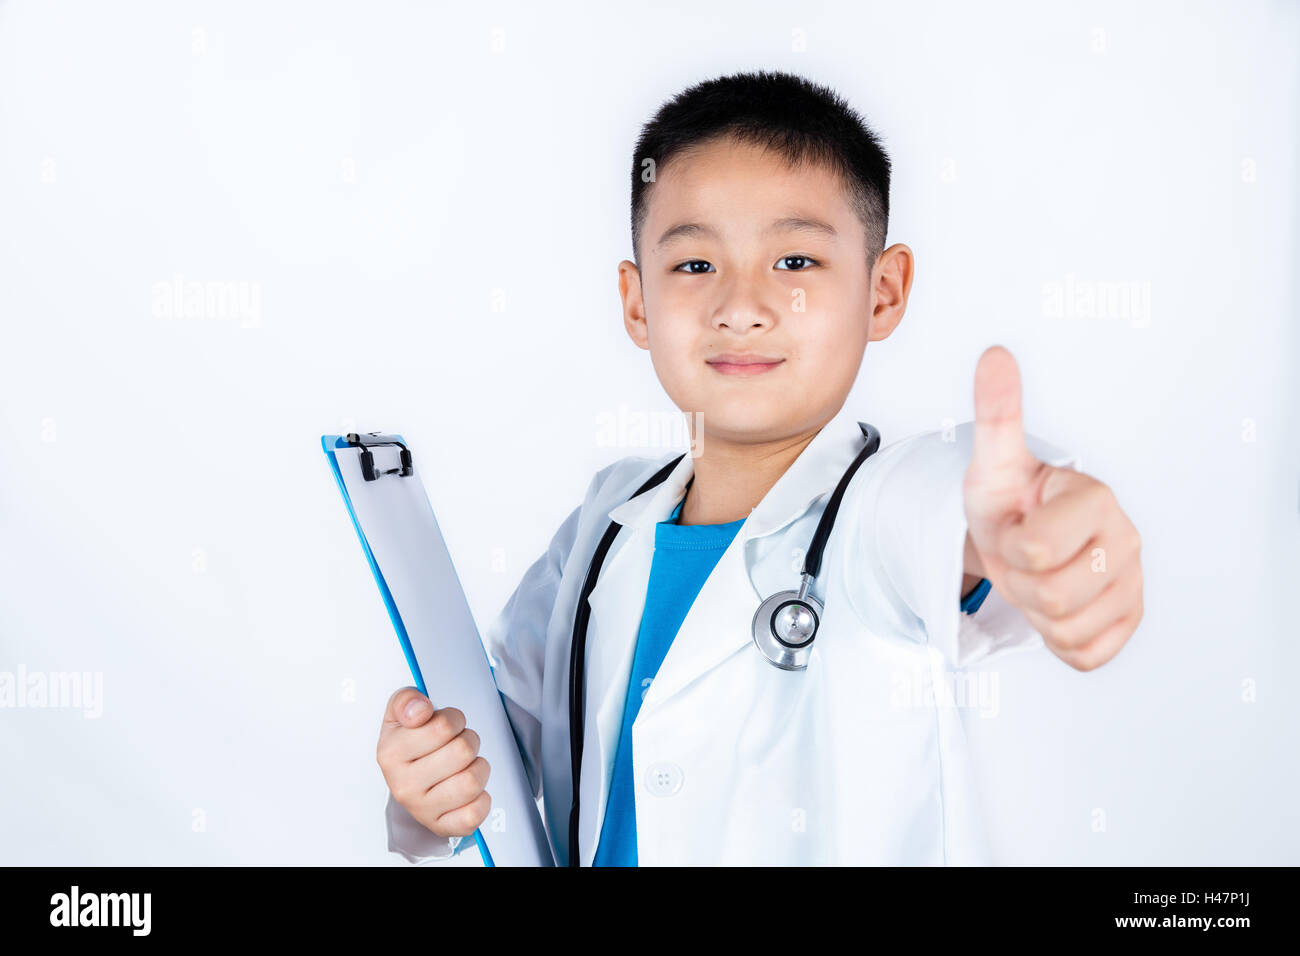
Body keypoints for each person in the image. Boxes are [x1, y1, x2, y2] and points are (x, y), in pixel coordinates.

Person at [376, 70, 1143, 866]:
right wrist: (426, 799)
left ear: (883, 292)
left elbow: (951, 508)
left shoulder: (879, 512)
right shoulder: (603, 524)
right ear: (637, 305)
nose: (741, 307)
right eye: (696, 266)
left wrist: (1031, 534)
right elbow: (491, 761)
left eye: (796, 262)